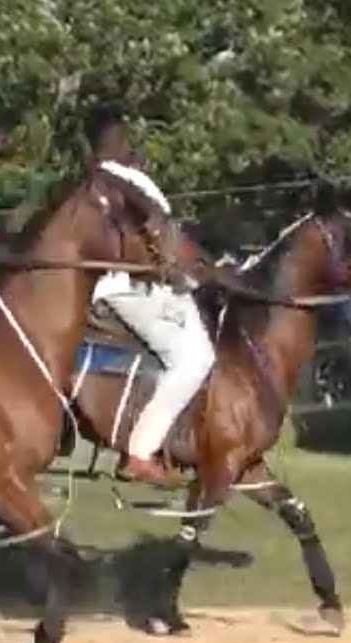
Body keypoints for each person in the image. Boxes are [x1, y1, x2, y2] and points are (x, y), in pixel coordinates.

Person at [84, 106, 217, 485]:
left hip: (131, 283)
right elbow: (157, 229)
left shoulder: (102, 180)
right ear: (115, 142)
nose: (131, 147)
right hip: (128, 285)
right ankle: (141, 452)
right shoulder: (117, 180)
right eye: (126, 139)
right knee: (195, 357)